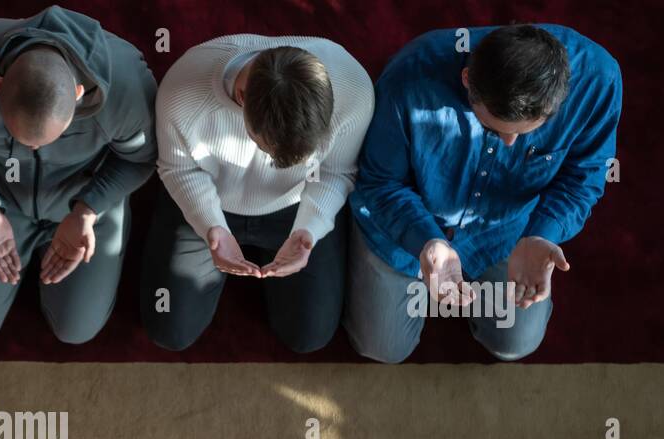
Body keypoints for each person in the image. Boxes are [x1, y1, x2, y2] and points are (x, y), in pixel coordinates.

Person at [346, 24, 622, 362]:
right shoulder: (409, 76)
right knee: (382, 348)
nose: (510, 143)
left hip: (505, 233)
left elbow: (583, 180)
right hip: (403, 224)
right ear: (466, 80)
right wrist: (424, 240)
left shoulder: (598, 80)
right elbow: (381, 183)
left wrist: (541, 234)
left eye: (527, 134)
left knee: (514, 343)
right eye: (493, 128)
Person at [0, 5, 156, 344]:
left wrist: (89, 208)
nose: (31, 150)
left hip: (86, 200)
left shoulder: (127, 86)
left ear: (78, 95)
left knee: (76, 331)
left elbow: (140, 159)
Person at [141, 35, 373, 353]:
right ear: (241, 97)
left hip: (295, 206)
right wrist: (211, 225)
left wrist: (310, 228)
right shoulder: (182, 94)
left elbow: (335, 173)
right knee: (168, 329)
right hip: (209, 196)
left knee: (309, 336)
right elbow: (179, 169)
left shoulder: (353, 87)